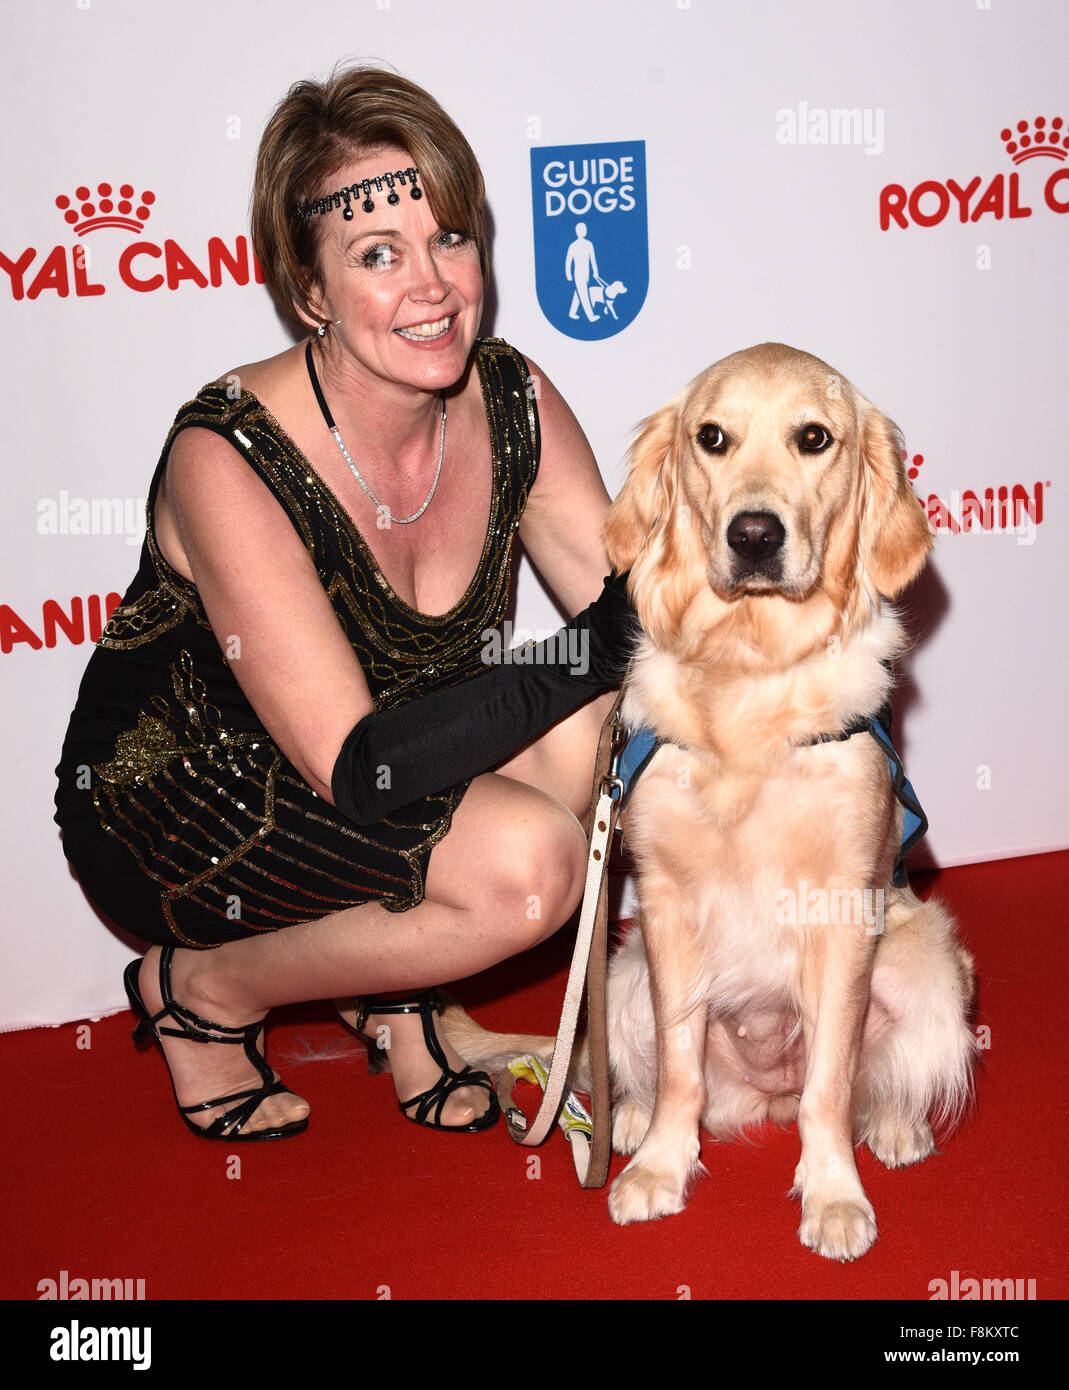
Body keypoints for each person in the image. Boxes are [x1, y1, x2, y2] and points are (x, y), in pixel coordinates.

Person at [52, 64, 634, 1142]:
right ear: (308, 291)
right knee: (528, 875)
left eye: (448, 238)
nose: (435, 286)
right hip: (188, 800)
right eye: (379, 255)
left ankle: (396, 981)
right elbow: (360, 768)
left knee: (612, 724)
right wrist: (607, 644)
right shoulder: (227, 454)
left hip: (392, 754)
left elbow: (632, 609)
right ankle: (207, 991)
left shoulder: (511, 397)